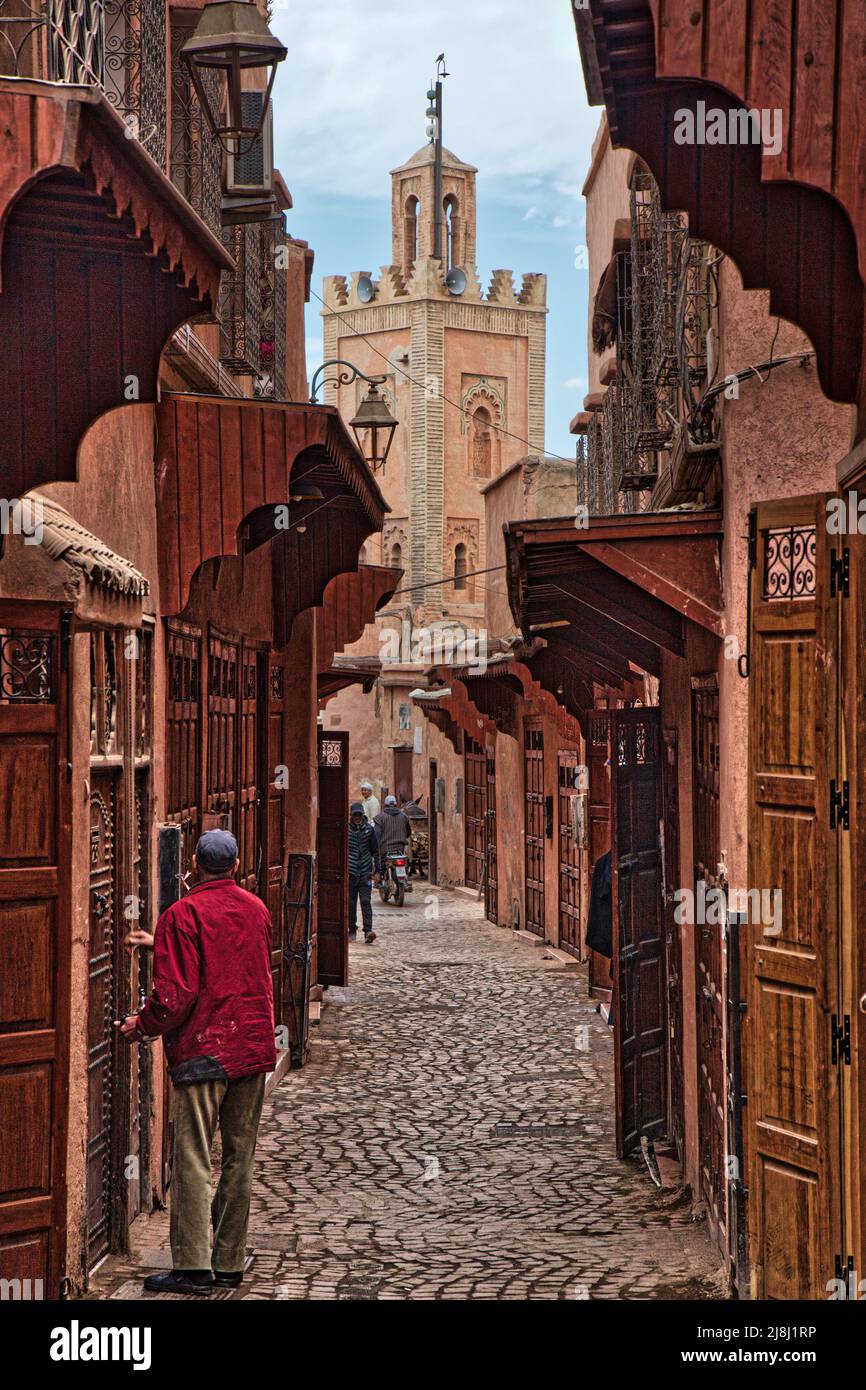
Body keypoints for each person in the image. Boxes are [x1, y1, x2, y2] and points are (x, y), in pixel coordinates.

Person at [117, 829, 276, 1296]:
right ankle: (228, 1262)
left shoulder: (181, 915)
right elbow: (231, 958)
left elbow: (177, 994)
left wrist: (141, 1024)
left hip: (204, 1052)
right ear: (236, 861)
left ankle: (192, 1267)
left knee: (192, 1158)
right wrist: (160, 943)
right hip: (251, 1047)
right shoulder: (257, 909)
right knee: (239, 1158)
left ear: (193, 863)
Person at [349, 801, 381, 943]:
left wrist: (377, 871)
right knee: (350, 903)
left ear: (363, 815)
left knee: (366, 901)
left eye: (359, 815)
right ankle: (351, 929)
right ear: (351, 815)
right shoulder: (347, 830)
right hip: (350, 872)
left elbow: (375, 851)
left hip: (365, 872)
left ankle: (368, 930)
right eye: (355, 815)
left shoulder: (369, 830)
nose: (357, 817)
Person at [374, 795, 413, 892]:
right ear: (396, 805)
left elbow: (376, 834)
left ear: (385, 805)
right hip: (400, 848)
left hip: (385, 849)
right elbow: (408, 832)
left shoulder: (380, 817)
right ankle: (404, 880)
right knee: (404, 863)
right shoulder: (404, 816)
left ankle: (380, 881)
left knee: (380, 864)